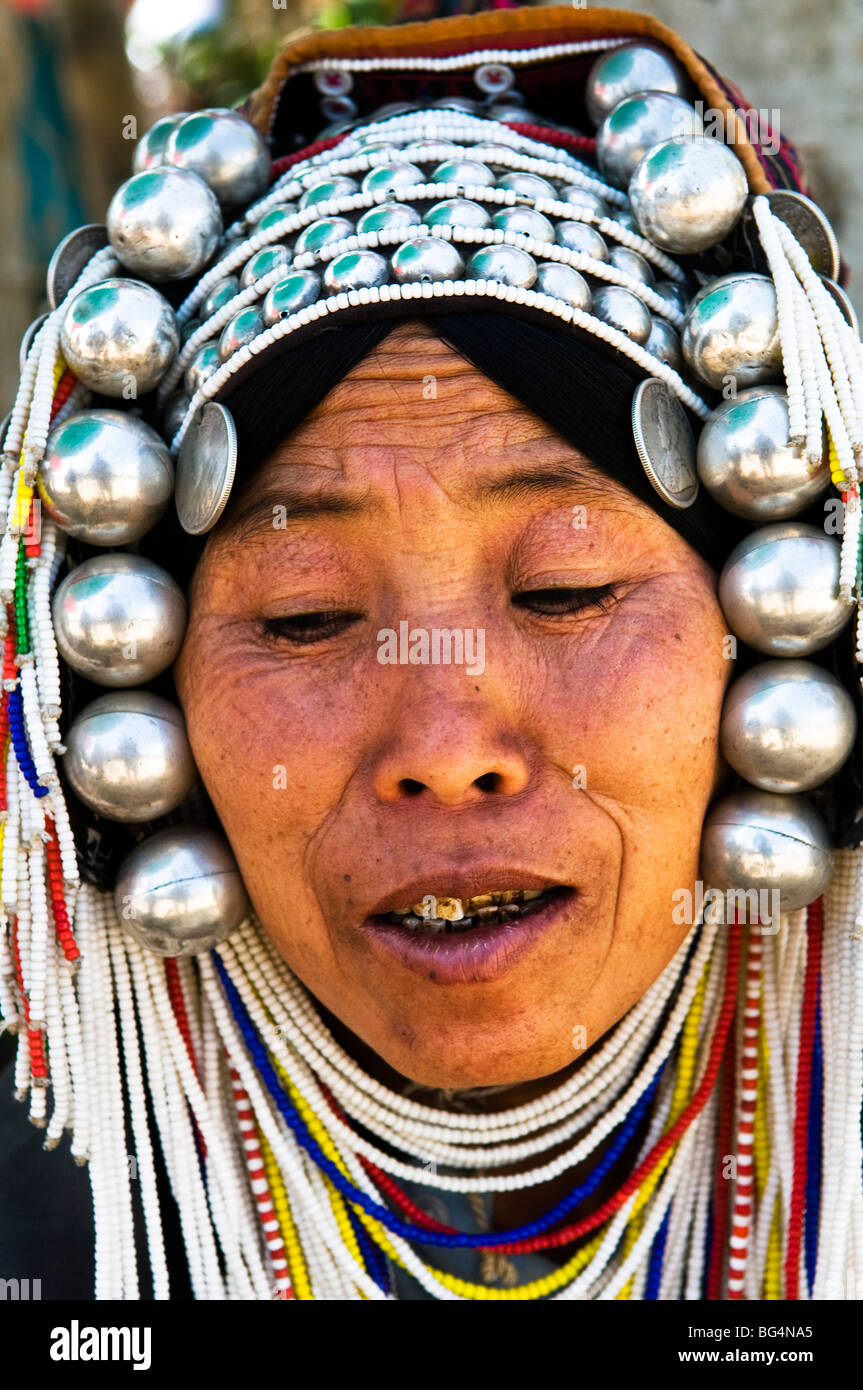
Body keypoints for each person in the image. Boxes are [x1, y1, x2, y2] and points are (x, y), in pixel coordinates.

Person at [1, 2, 861, 1301]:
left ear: (775, 632)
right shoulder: (53, 1227)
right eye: (303, 615)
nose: (447, 750)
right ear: (141, 686)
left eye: (566, 589)